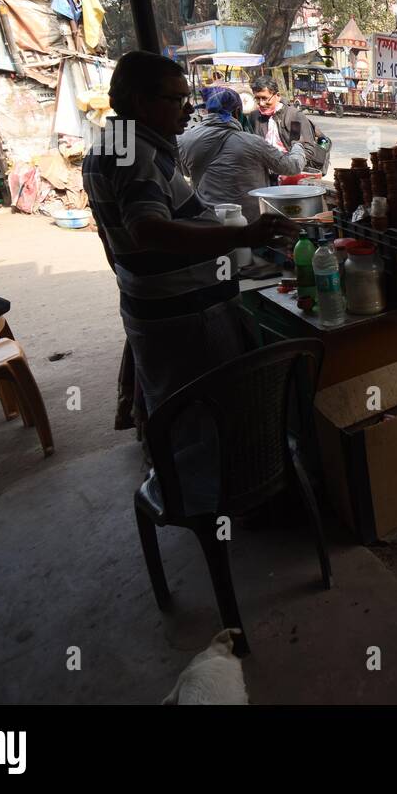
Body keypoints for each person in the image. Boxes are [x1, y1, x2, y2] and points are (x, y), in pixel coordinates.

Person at [82, 52, 298, 502]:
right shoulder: (134, 154)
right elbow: (147, 229)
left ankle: (202, 491)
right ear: (141, 102)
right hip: (184, 313)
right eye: (176, 100)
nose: (188, 110)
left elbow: (119, 238)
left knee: (182, 408)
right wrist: (244, 234)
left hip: (155, 302)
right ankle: (220, 502)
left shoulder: (113, 143)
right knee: (209, 410)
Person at [179, 87, 306, 223]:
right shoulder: (252, 142)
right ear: (238, 111)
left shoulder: (184, 140)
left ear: (207, 110)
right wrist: (297, 145)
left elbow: (186, 172)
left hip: (207, 224)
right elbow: (292, 167)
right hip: (248, 225)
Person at [249, 76, 329, 174]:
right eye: (257, 99)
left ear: (277, 96)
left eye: (265, 98)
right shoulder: (255, 117)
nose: (261, 103)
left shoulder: (293, 117)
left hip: (290, 171)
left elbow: (306, 149)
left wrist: (283, 165)